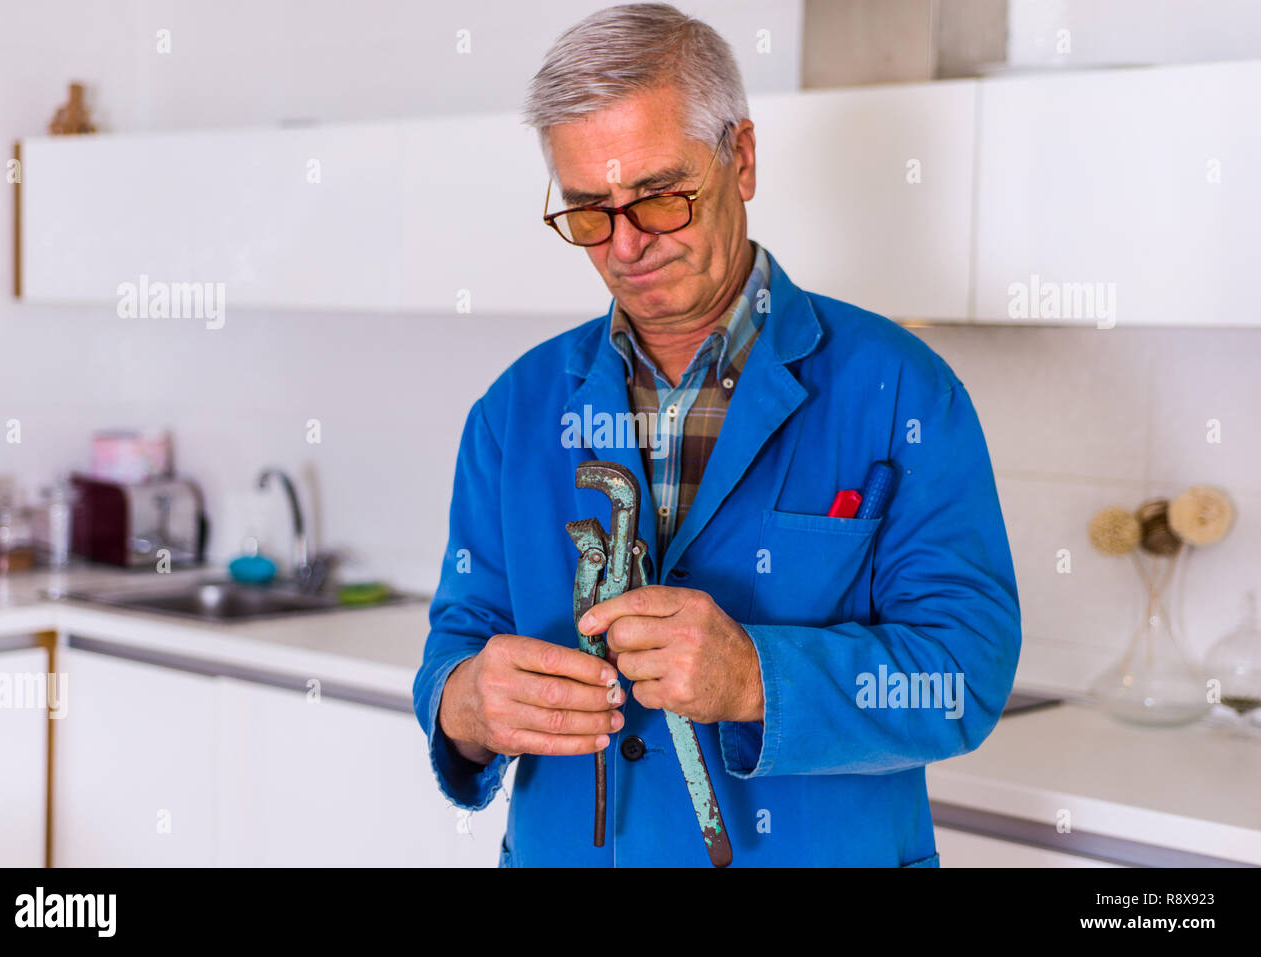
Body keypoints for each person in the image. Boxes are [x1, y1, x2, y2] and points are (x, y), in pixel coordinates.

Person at [414, 2, 1020, 867]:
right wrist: (466, 705)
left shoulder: (901, 390)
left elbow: (964, 671)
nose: (626, 246)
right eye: (589, 211)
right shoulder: (512, 413)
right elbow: (457, 642)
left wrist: (756, 677)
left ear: (740, 158)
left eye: (659, 198)